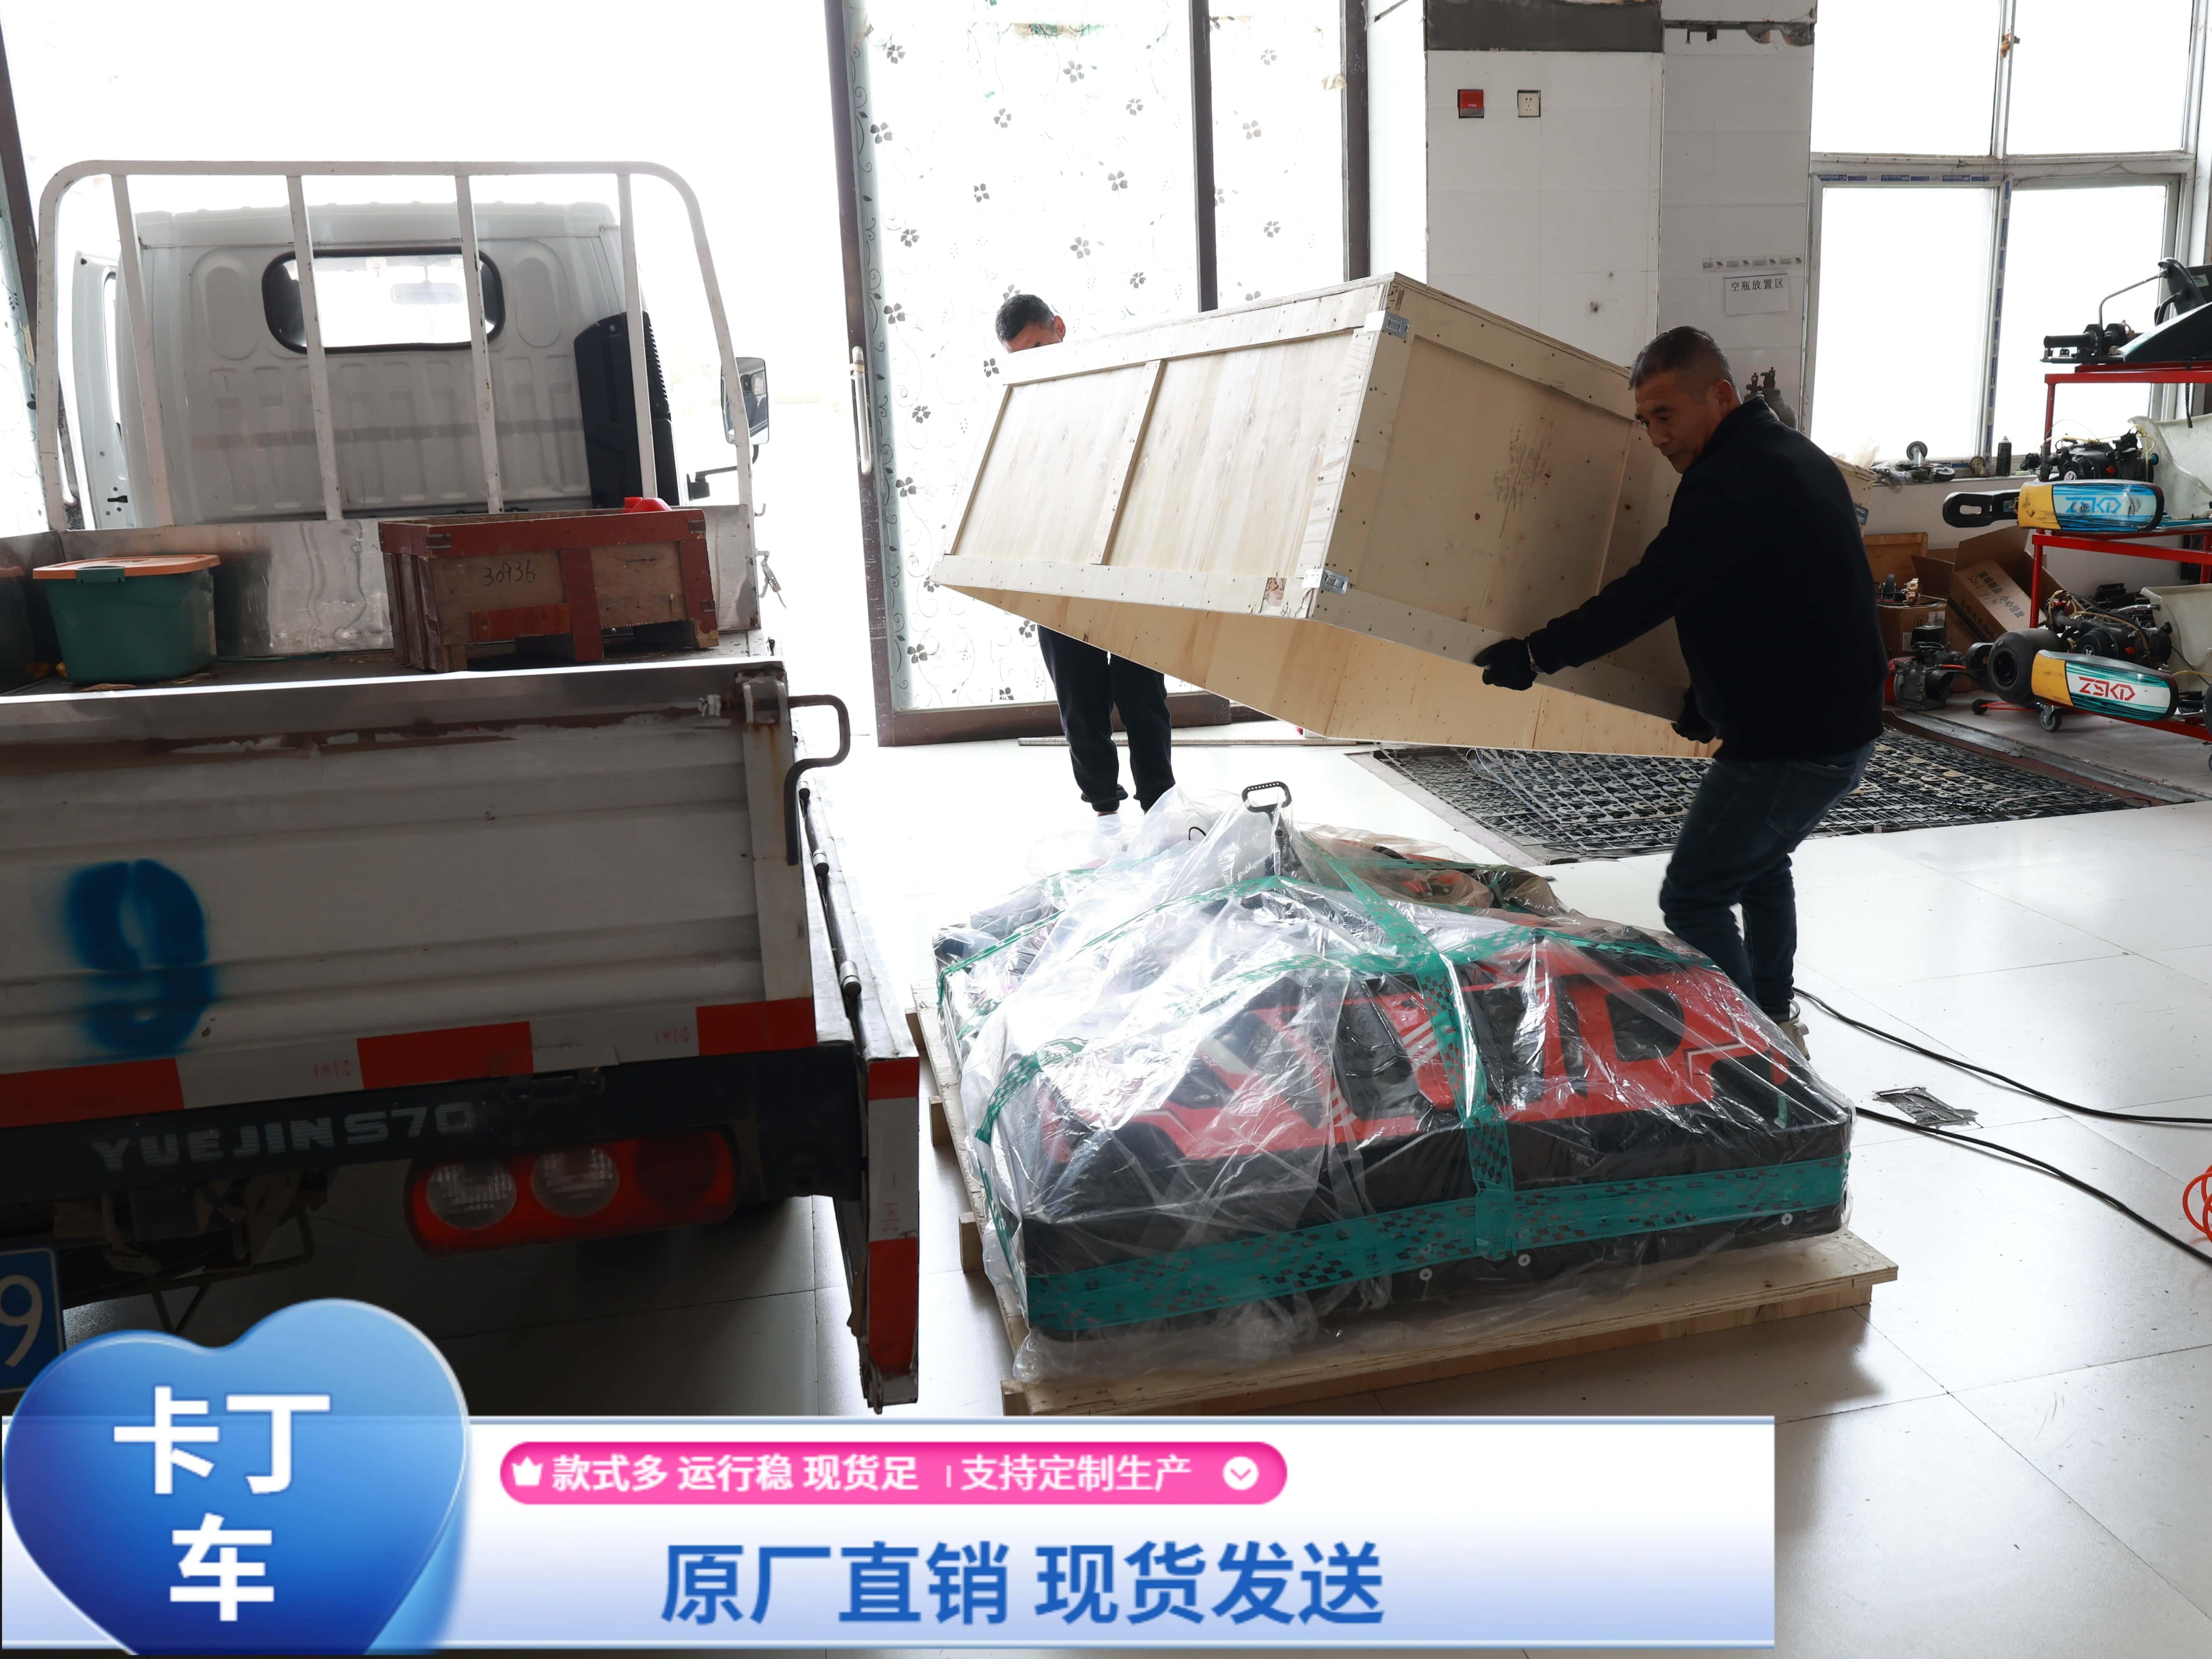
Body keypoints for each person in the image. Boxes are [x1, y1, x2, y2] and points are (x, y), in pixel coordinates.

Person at [1472, 326, 1884, 1056]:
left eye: (1666, 414)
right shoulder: (1788, 455)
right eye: (1645, 421)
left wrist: (1536, 653)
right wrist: (1712, 696)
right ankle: (1775, 1021)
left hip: (1793, 739)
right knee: (1760, 866)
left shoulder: (1732, 479)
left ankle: (1751, 1056)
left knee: (1693, 895)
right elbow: (1767, 597)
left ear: (1719, 396)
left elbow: (1654, 590)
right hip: (1831, 723)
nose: (1657, 437)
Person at [994, 292, 1176, 820]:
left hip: (1130, 557)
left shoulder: (1120, 381)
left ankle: (1160, 805)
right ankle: (1103, 810)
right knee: (1078, 695)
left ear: (1060, 327)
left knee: (1141, 688)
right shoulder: (1018, 407)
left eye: (1037, 347)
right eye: (1019, 358)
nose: (1032, 364)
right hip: (1054, 564)